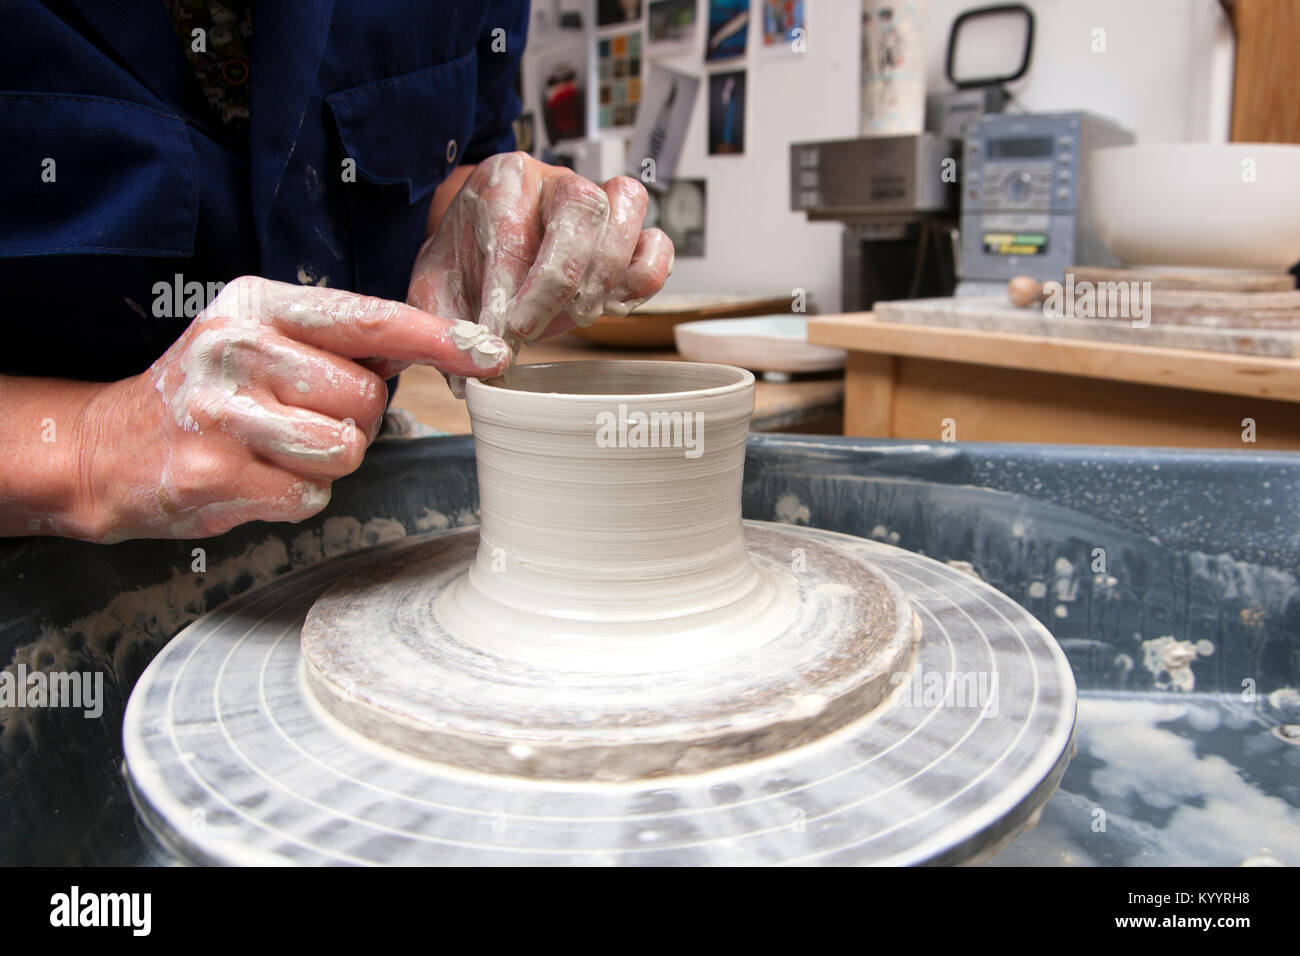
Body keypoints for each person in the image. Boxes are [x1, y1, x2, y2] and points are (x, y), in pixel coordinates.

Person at [0, 0, 672, 543]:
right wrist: (88, 449)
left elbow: (453, 159)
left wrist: (493, 220)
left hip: (344, 493)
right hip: (39, 548)